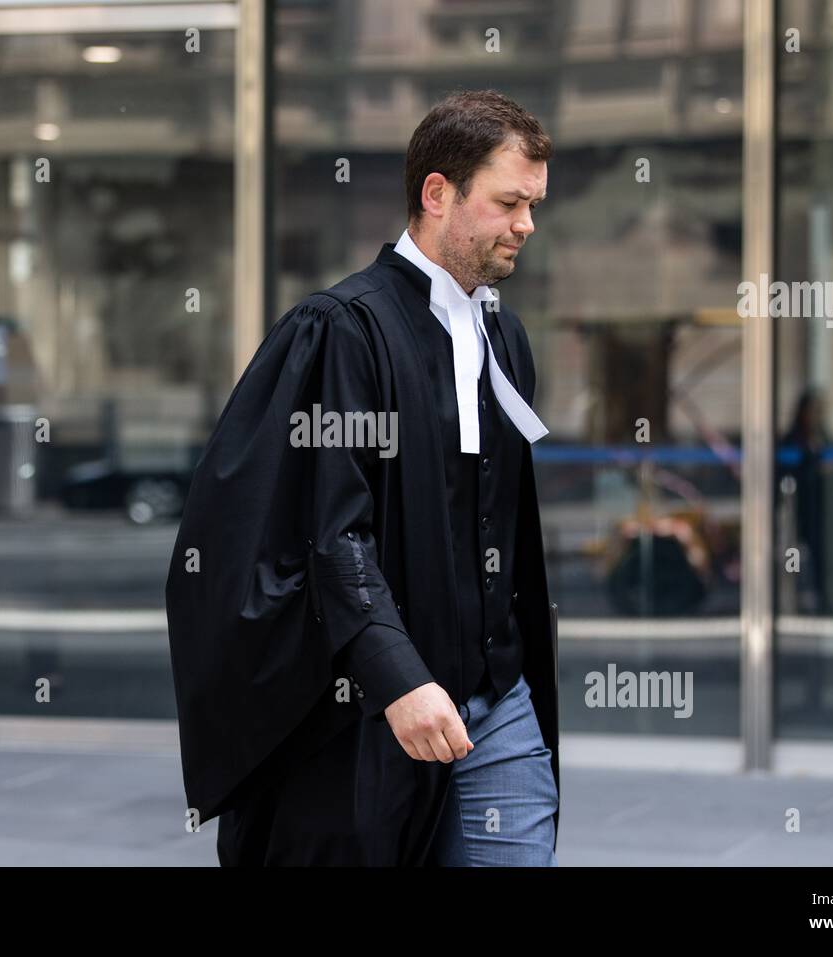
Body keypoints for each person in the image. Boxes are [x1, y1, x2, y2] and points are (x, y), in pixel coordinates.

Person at [166, 89, 560, 866]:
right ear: (437, 194)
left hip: (500, 704)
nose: (527, 225)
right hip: (373, 715)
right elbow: (330, 533)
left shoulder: (503, 335)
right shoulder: (342, 330)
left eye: (535, 205)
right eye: (510, 202)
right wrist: (400, 677)